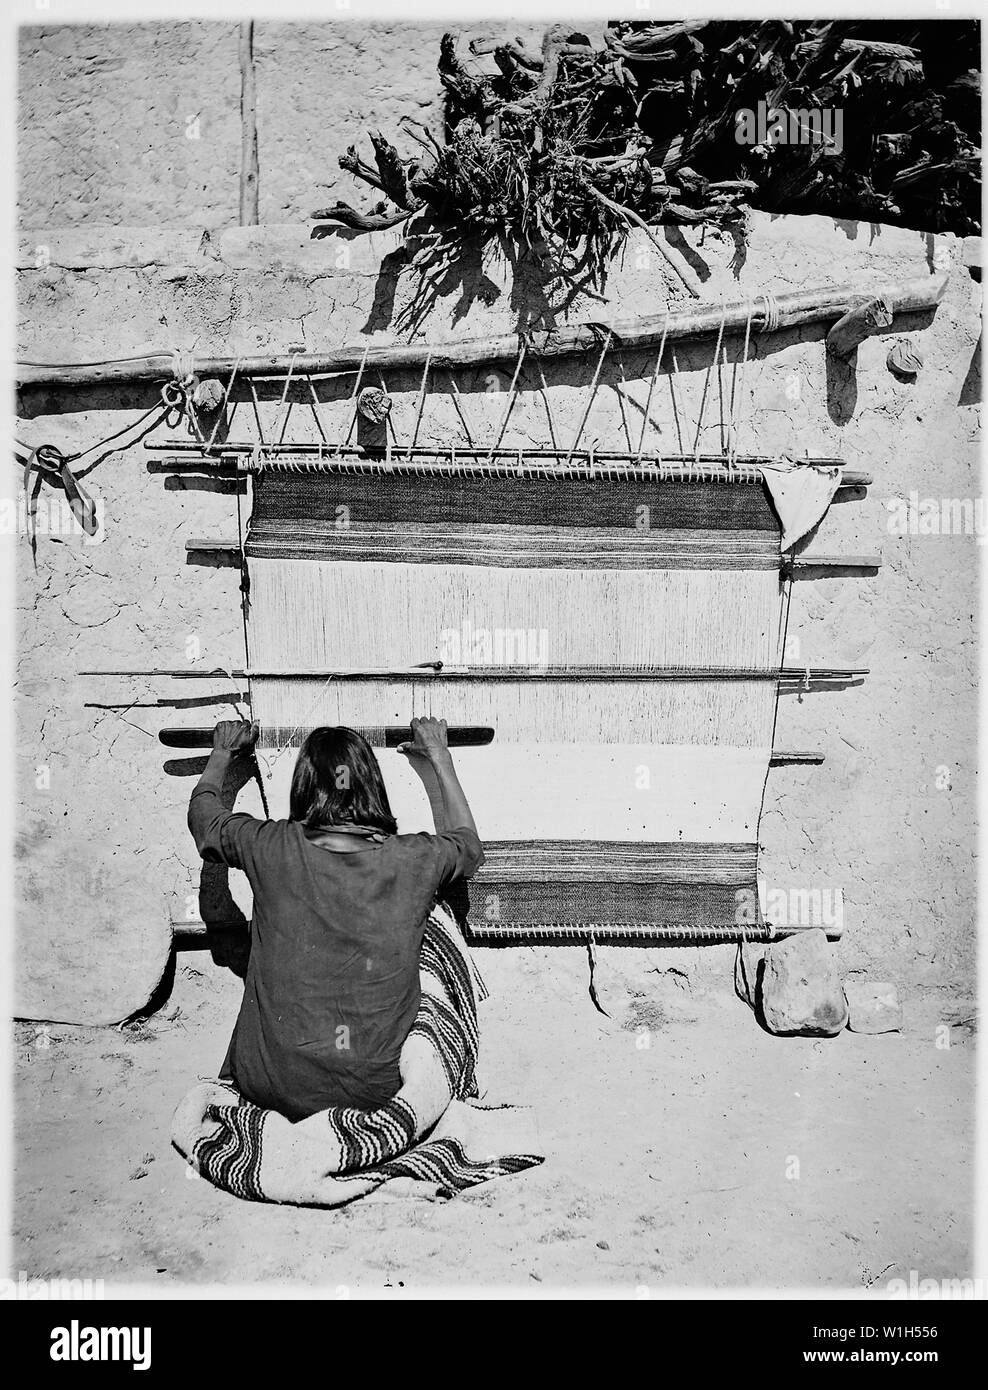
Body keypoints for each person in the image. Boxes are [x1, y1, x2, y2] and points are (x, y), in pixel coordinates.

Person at [187, 715, 483, 1123]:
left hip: (270, 1087)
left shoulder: (268, 845)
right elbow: (469, 846)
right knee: (434, 919)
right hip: (378, 1091)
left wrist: (222, 754)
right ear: (372, 785)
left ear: (304, 787)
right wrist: (439, 755)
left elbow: (205, 820)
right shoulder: (415, 858)